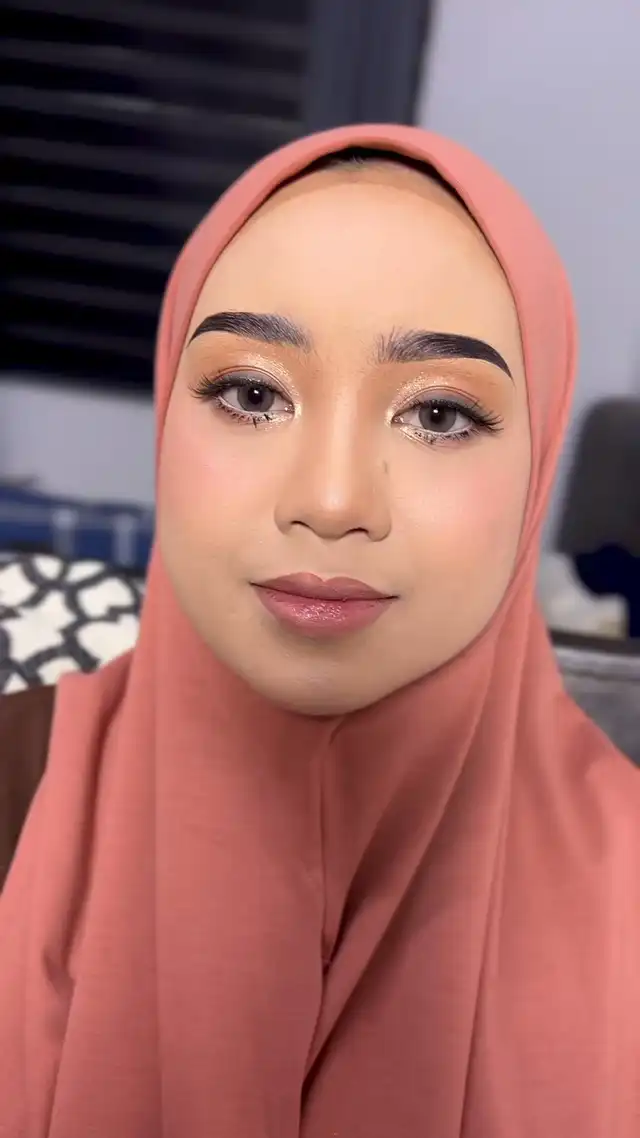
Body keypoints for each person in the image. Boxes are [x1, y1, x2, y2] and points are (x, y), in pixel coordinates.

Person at [0, 123, 638, 1137]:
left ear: (538, 459)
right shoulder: (15, 796)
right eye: (250, 393)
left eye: (439, 416)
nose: (332, 499)